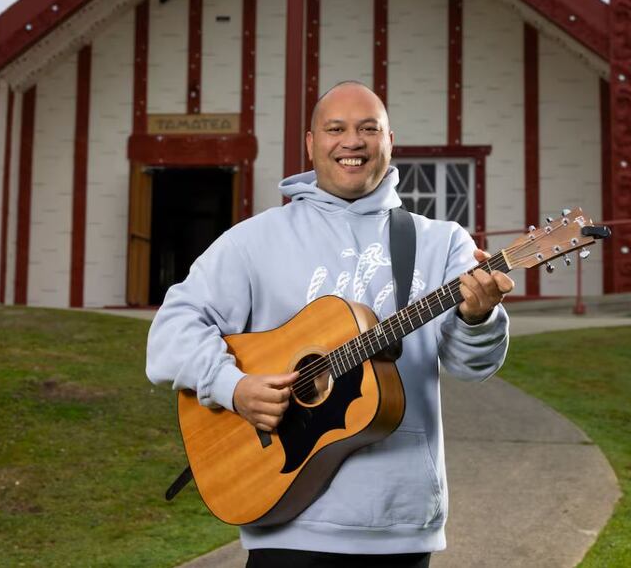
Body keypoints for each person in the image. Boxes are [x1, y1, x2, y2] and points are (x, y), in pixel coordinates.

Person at [146, 81, 514, 567]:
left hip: (400, 521)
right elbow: (172, 329)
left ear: (389, 140)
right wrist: (233, 386)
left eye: (368, 129)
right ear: (310, 142)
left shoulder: (441, 243)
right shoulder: (254, 241)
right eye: (335, 128)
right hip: (283, 515)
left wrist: (478, 315)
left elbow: (473, 366)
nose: (352, 142)